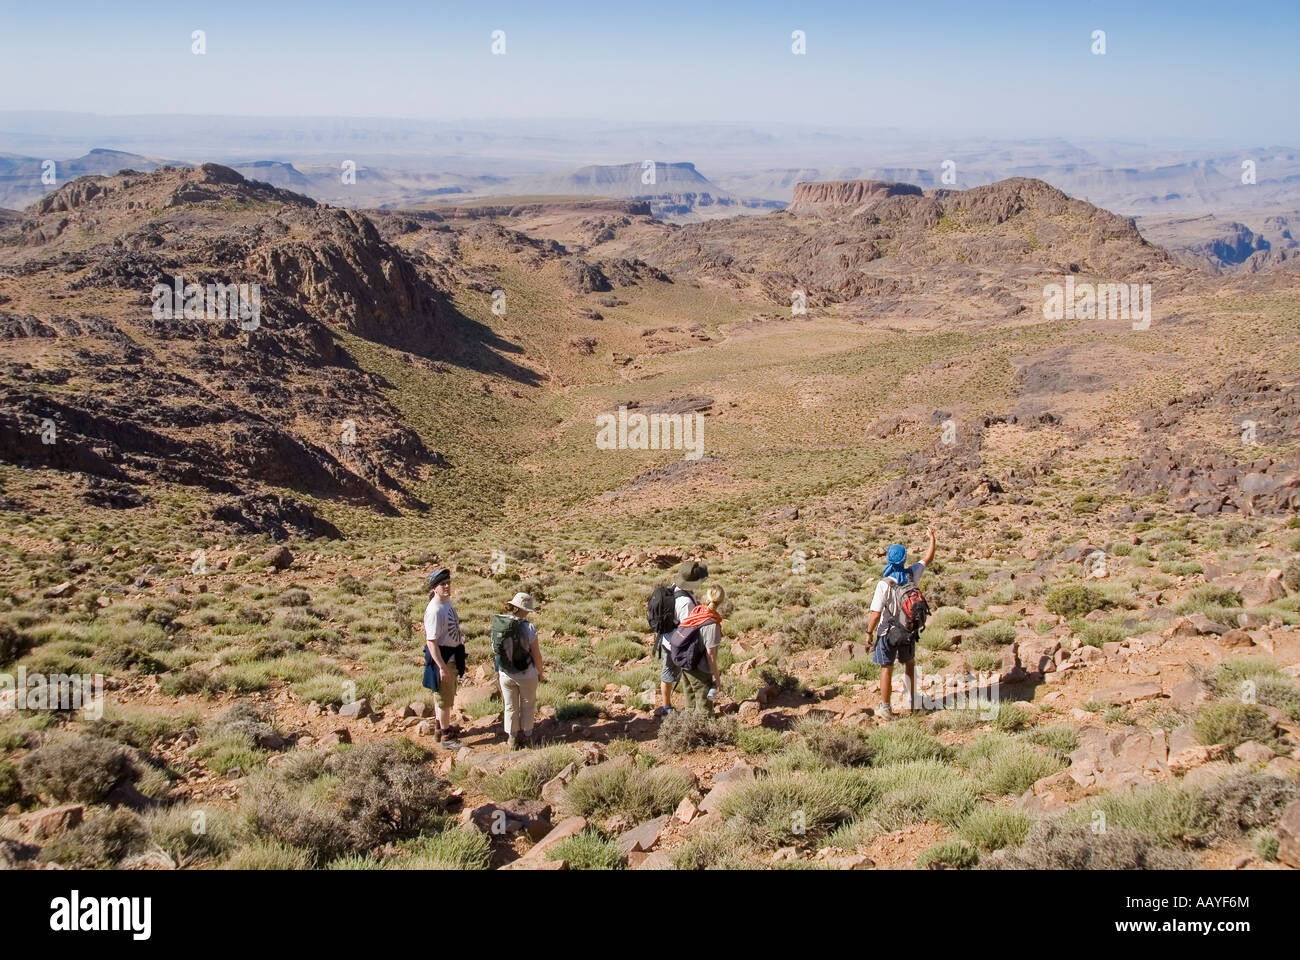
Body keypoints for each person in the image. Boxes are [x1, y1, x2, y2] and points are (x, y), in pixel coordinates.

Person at [863, 527, 936, 720]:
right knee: (909, 665)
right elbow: (927, 558)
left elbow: (875, 614)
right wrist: (932, 539)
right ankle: (913, 704)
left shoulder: (884, 583)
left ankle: (886, 708)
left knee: (886, 668)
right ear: (904, 559)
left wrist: (869, 633)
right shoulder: (912, 573)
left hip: (888, 633)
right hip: (908, 630)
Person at [493, 592, 546, 750]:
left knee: (510, 706)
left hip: (505, 673)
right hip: (526, 674)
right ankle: (528, 736)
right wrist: (540, 672)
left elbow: (496, 650)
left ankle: (512, 739)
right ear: (526, 610)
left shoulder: (499, 624)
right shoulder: (529, 628)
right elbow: (536, 655)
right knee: (527, 705)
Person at [657, 561, 708, 715]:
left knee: (668, 673)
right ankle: (672, 706)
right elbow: (688, 628)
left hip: (667, 639)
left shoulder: (675, 587)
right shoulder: (685, 602)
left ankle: (667, 705)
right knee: (676, 674)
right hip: (678, 645)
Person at [422, 568, 466, 743]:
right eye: (442, 584)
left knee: (443, 696)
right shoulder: (434, 610)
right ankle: (446, 737)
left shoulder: (445, 602)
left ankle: (440, 728)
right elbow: (431, 641)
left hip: (452, 655)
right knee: (445, 700)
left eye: (448, 582)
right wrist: (441, 667)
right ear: (435, 587)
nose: (447, 586)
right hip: (444, 658)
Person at [671, 584, 727, 713]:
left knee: (690, 706)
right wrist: (717, 680)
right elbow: (710, 656)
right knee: (704, 710)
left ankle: (688, 730)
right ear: (721, 601)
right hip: (699, 669)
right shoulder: (711, 624)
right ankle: (703, 732)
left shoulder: (697, 611)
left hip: (686, 665)